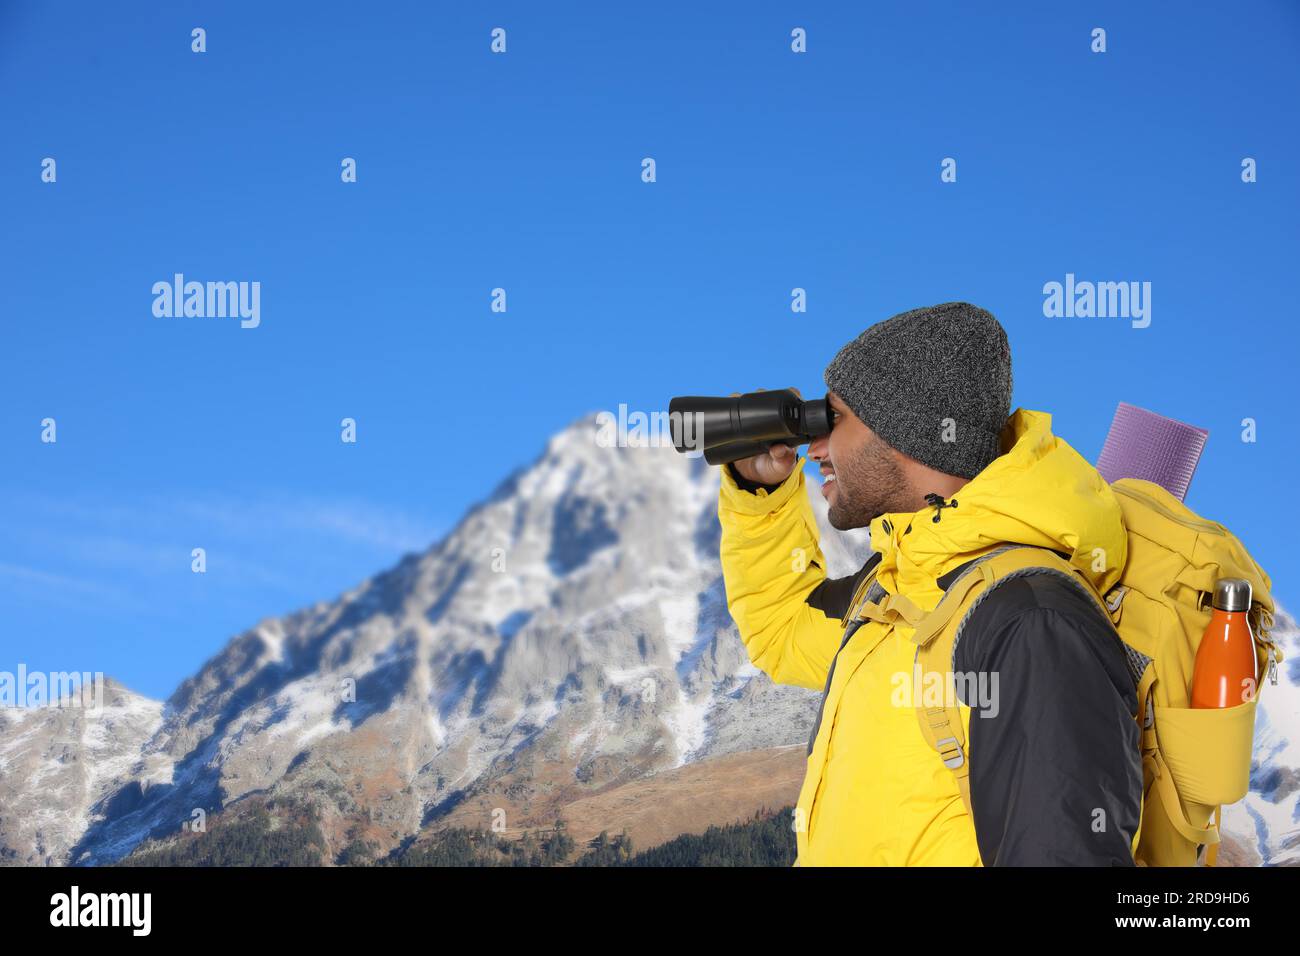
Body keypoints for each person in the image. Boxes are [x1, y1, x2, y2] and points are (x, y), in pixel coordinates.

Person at [719, 302, 1142, 865]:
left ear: (906, 436)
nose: (813, 448)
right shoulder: (894, 588)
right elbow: (780, 629)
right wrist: (760, 490)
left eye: (835, 419)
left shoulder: (1028, 619)